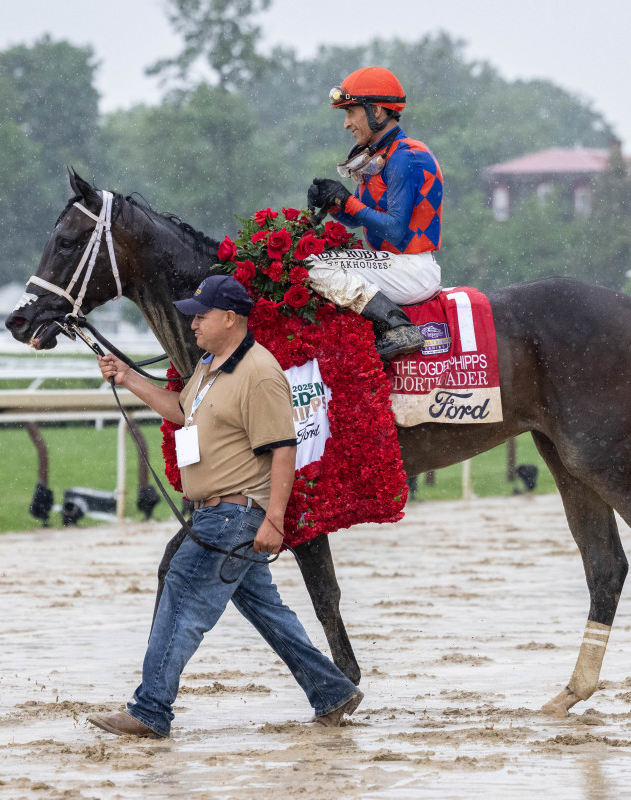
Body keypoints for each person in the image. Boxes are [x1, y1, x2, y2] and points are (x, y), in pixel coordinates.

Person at [86, 274, 363, 738]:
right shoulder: (209, 366)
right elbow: (181, 409)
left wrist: (275, 518)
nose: (192, 323)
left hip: (233, 516)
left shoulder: (260, 371)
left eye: (202, 315)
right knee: (266, 611)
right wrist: (129, 377)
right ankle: (332, 691)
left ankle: (150, 710)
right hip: (222, 514)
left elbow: (283, 447)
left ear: (230, 318)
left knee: (181, 598)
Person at [306, 66, 444, 361]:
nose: (346, 124)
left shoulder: (405, 156)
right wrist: (334, 204)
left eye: (351, 112)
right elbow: (357, 218)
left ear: (377, 111)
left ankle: (399, 327)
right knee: (312, 261)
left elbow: (395, 230)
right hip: (395, 264)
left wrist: (349, 201)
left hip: (412, 268)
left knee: (309, 266)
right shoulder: (380, 154)